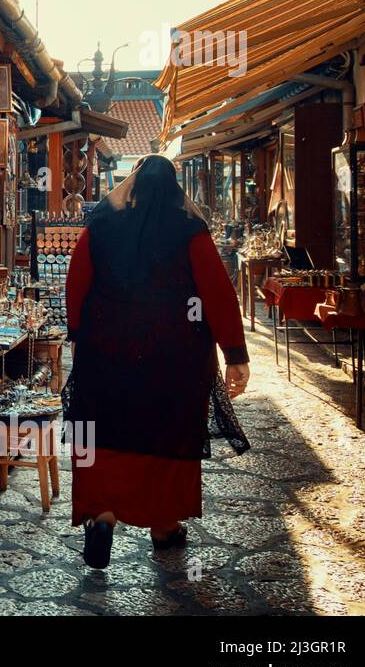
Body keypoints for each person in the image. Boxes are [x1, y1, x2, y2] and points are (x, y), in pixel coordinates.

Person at [64, 153, 250, 569]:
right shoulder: (189, 230)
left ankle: (103, 515)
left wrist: (78, 335)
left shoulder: (101, 225)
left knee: (103, 432)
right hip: (174, 361)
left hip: (106, 355)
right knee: (168, 434)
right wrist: (234, 354)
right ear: (173, 189)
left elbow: (76, 281)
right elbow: (218, 294)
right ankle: (164, 526)